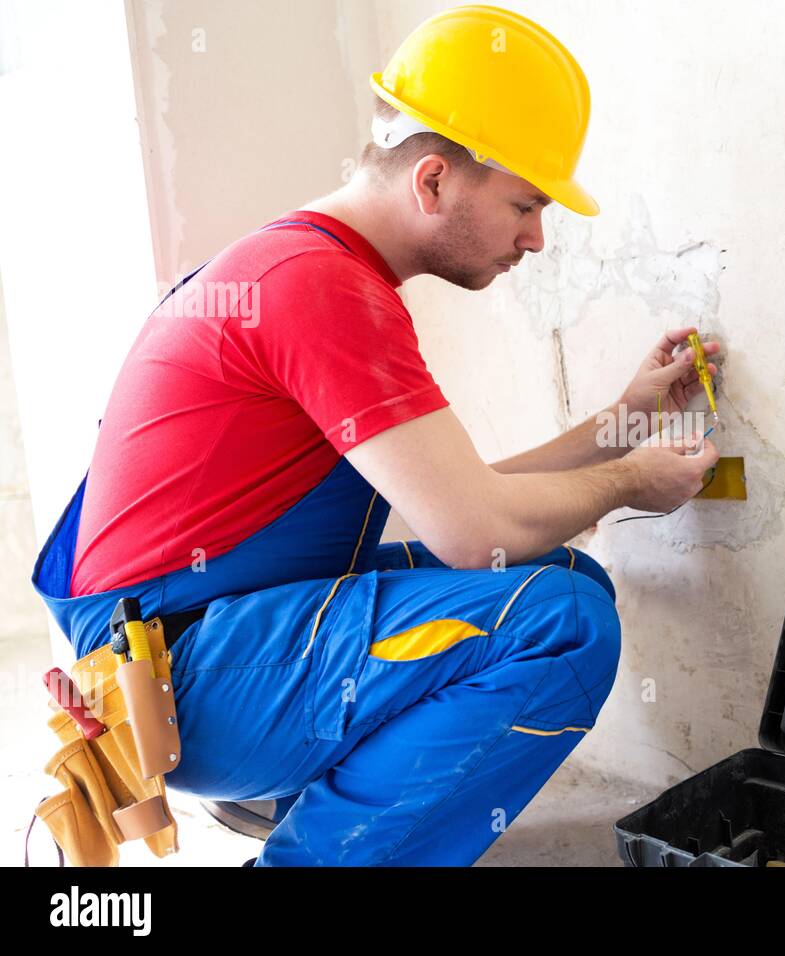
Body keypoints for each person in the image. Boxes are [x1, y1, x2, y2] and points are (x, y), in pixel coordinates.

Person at [31, 4, 720, 866]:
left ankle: (306, 802)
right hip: (187, 678)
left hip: (193, 651)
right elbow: (477, 532)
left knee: (554, 573)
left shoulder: (296, 266)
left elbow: (461, 502)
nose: (537, 239)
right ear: (432, 181)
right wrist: (630, 484)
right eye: (524, 204)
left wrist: (622, 426)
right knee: (564, 621)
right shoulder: (320, 288)